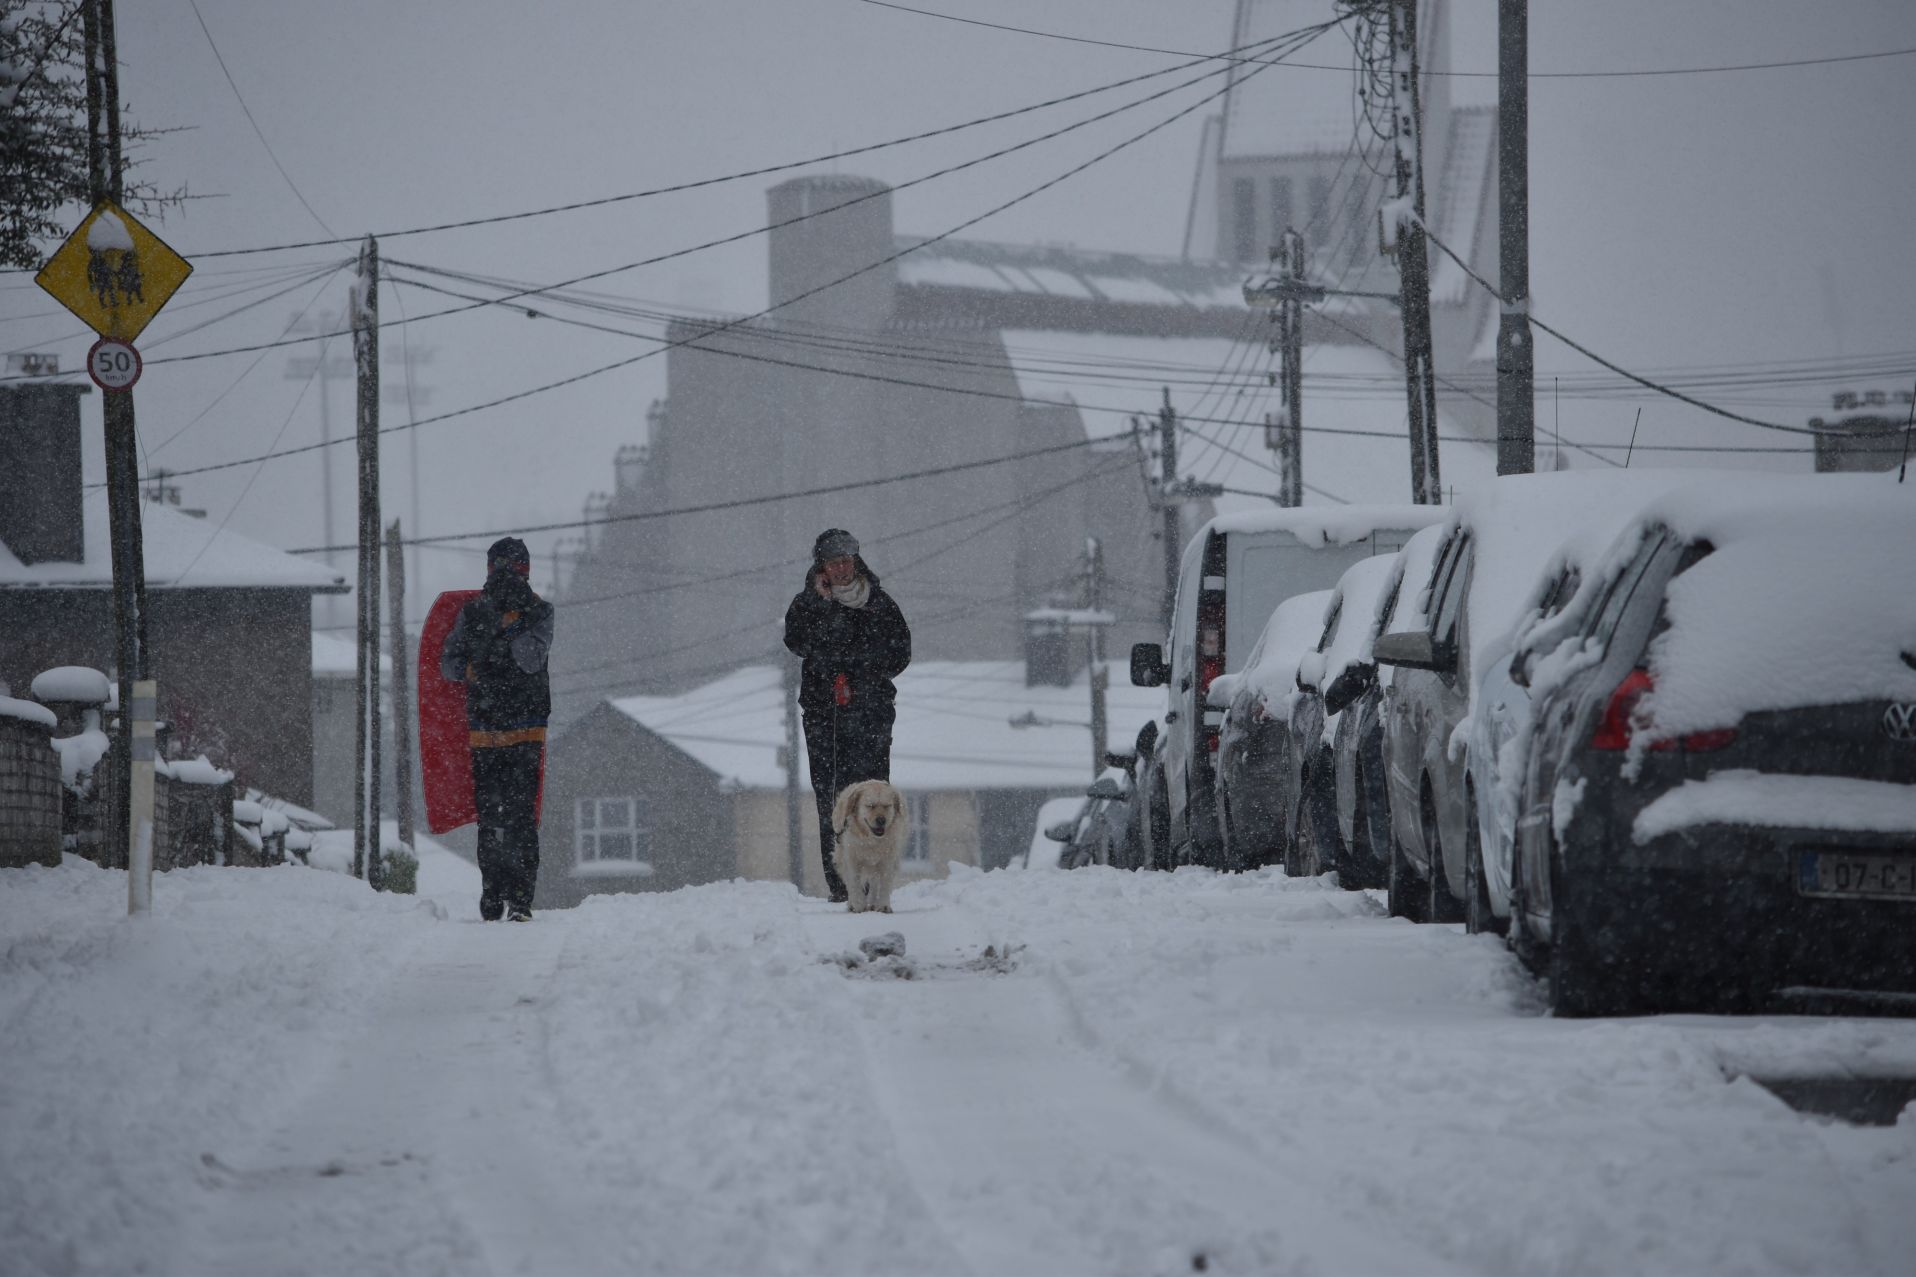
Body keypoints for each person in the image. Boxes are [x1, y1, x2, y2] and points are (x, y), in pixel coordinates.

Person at [782, 528, 911, 902]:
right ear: (821, 567)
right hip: (826, 716)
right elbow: (797, 641)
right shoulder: (806, 604)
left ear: (856, 561)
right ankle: (842, 882)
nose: (841, 568)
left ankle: (874, 879)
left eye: (846, 560)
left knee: (873, 795)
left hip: (871, 712)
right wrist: (820, 605)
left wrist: (866, 671)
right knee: (834, 796)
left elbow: (900, 653)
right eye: (833, 562)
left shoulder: (880, 603)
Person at [441, 536, 554, 921]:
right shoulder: (472, 612)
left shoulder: (540, 612)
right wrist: (488, 627)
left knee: (522, 817)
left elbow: (530, 660)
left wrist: (512, 622)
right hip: (485, 731)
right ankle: (491, 896)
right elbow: (449, 666)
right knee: (490, 818)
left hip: (526, 730)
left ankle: (521, 901)